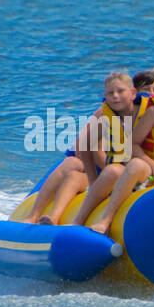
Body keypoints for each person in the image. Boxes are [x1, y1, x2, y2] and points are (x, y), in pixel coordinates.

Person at [72, 71, 154, 234]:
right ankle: (101, 220)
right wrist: (93, 181)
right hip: (147, 171)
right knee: (128, 166)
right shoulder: (152, 113)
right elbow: (132, 144)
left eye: (120, 91)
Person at [20, 71, 137, 225]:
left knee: (81, 170)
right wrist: (96, 178)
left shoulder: (146, 114)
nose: (115, 96)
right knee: (72, 164)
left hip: (123, 171)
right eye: (111, 93)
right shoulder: (105, 115)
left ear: (133, 93)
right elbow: (87, 147)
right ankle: (39, 216)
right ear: (105, 96)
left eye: (120, 91)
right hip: (103, 168)